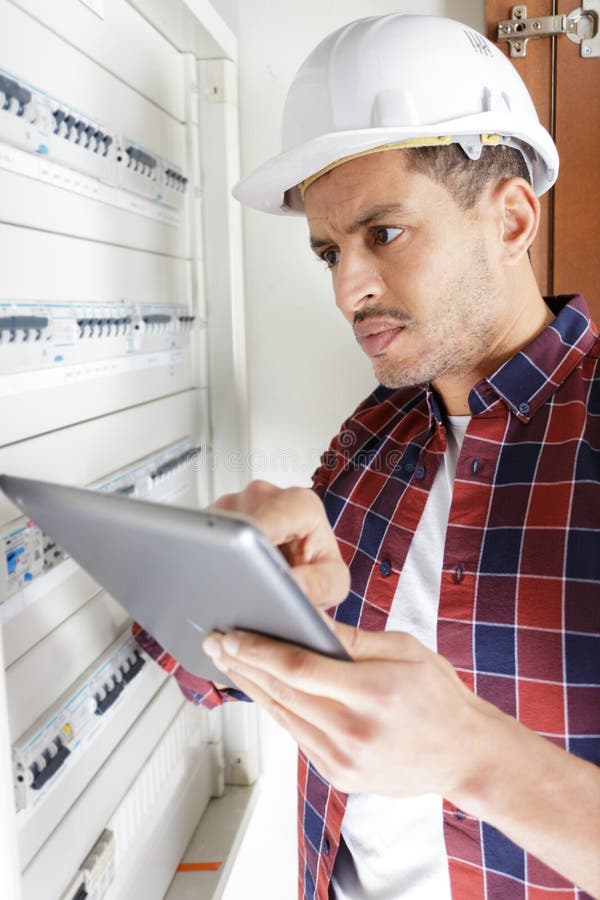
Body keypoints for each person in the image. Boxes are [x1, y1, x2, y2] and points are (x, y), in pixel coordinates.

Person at [134, 14, 600, 900]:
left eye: (383, 233)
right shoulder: (375, 436)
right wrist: (223, 585)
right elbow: (219, 673)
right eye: (328, 251)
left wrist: (478, 757)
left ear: (510, 217)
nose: (350, 290)